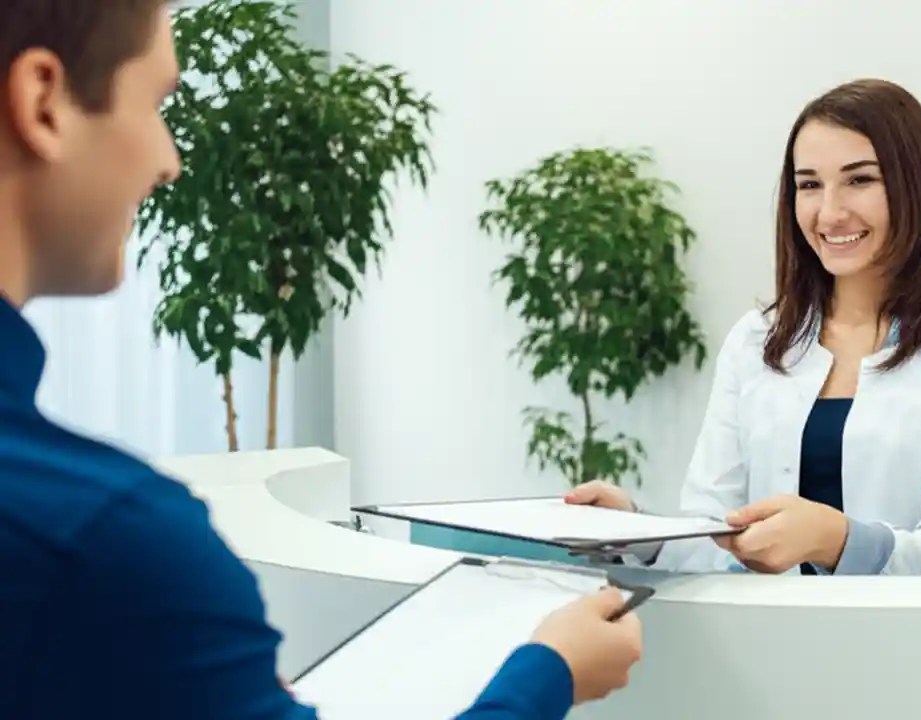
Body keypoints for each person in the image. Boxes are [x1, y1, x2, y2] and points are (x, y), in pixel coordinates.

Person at [0, 2, 641, 718]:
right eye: (155, 104)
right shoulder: (112, 543)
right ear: (43, 102)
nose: (170, 161)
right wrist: (548, 671)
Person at [567, 79, 921, 577]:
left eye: (860, 180)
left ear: (915, 185)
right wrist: (637, 531)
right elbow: (712, 533)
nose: (829, 212)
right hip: (767, 643)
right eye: (809, 185)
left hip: (905, 645)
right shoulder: (754, 340)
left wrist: (833, 539)